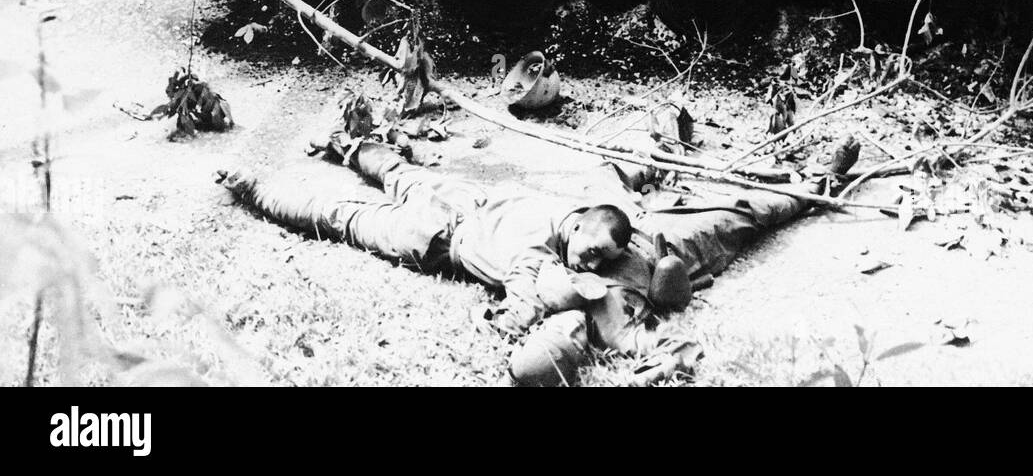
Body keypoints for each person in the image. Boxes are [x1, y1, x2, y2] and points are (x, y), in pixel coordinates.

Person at [219, 136, 857, 385]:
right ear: (576, 225)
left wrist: (804, 193)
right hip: (452, 218)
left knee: (345, 212)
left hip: (459, 223)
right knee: (394, 182)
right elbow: (539, 306)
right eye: (590, 250)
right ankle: (345, 147)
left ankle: (809, 183)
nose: (593, 258)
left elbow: (725, 223)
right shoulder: (547, 248)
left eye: (605, 256)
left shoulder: (617, 249)